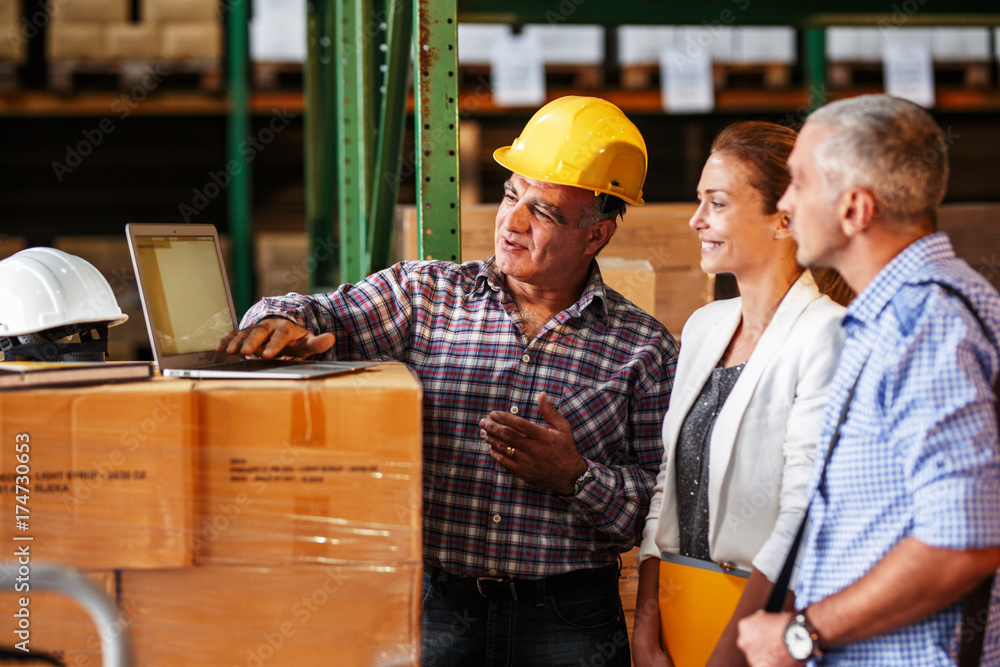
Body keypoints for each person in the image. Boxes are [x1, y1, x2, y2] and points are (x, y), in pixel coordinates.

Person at [218, 95, 678, 666]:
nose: (511, 223)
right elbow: (321, 312)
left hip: (569, 619)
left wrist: (574, 477)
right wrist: (278, 322)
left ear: (596, 234)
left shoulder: (643, 348)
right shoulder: (426, 295)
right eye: (511, 196)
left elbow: (659, 515)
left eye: (544, 212)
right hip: (439, 606)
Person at [737, 94, 1000, 666]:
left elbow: (964, 542)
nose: (784, 203)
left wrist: (799, 634)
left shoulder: (924, 324)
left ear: (855, 209)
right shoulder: (897, 316)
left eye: (799, 183)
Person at [630, 121, 846, 667]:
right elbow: (665, 488)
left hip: (767, 627)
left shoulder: (829, 335)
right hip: (684, 613)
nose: (695, 219)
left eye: (717, 203)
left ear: (783, 218)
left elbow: (805, 518)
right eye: (699, 201)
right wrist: (647, 622)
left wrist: (731, 654)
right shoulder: (705, 326)